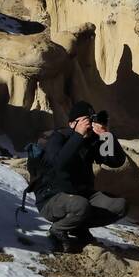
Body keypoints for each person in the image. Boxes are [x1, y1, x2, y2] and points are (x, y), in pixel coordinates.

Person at [33, 101, 128, 252]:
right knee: (80, 205)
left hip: (81, 196)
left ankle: (77, 228)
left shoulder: (91, 141)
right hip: (51, 199)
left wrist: (107, 136)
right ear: (72, 123)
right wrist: (78, 136)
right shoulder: (59, 138)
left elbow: (115, 162)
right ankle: (57, 230)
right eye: (85, 120)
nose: (89, 124)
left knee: (119, 205)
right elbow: (59, 164)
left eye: (91, 119)